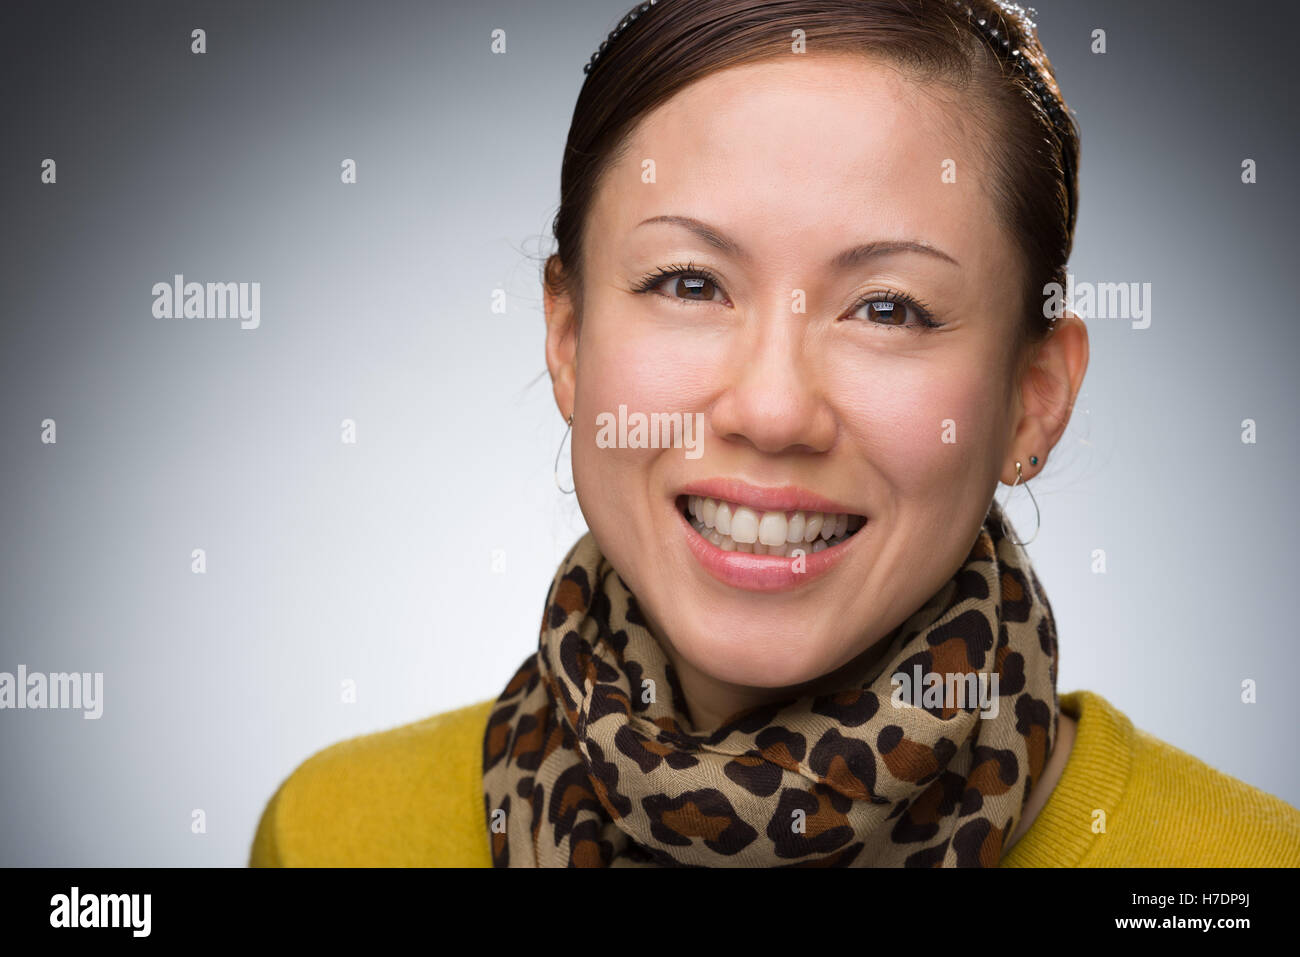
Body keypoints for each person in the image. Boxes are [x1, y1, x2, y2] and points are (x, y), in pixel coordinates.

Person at [250, 0, 1300, 867]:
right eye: (690, 283)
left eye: (886, 308)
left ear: (1032, 398)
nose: (772, 410)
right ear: (567, 339)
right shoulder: (336, 835)